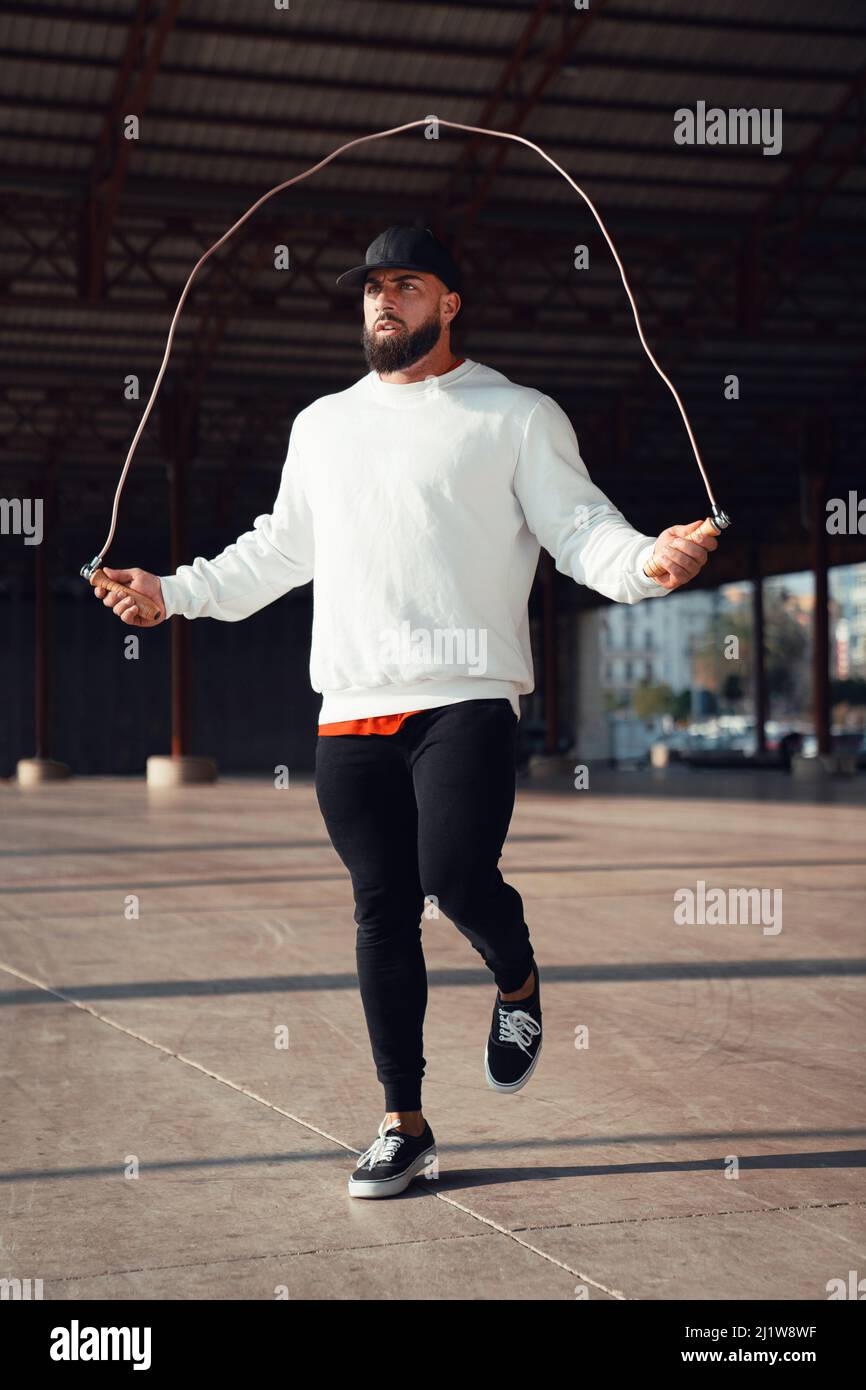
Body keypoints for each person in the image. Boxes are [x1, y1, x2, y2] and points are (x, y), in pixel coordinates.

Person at [94, 224, 717, 1199]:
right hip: (349, 707)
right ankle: (403, 1123)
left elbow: (580, 530)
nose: (383, 301)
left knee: (455, 876)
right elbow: (273, 551)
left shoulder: (512, 415)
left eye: (407, 285)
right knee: (380, 911)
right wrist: (170, 591)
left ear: (449, 302)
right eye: (372, 288)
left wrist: (647, 560)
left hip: (464, 695)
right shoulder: (322, 427)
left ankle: (513, 976)